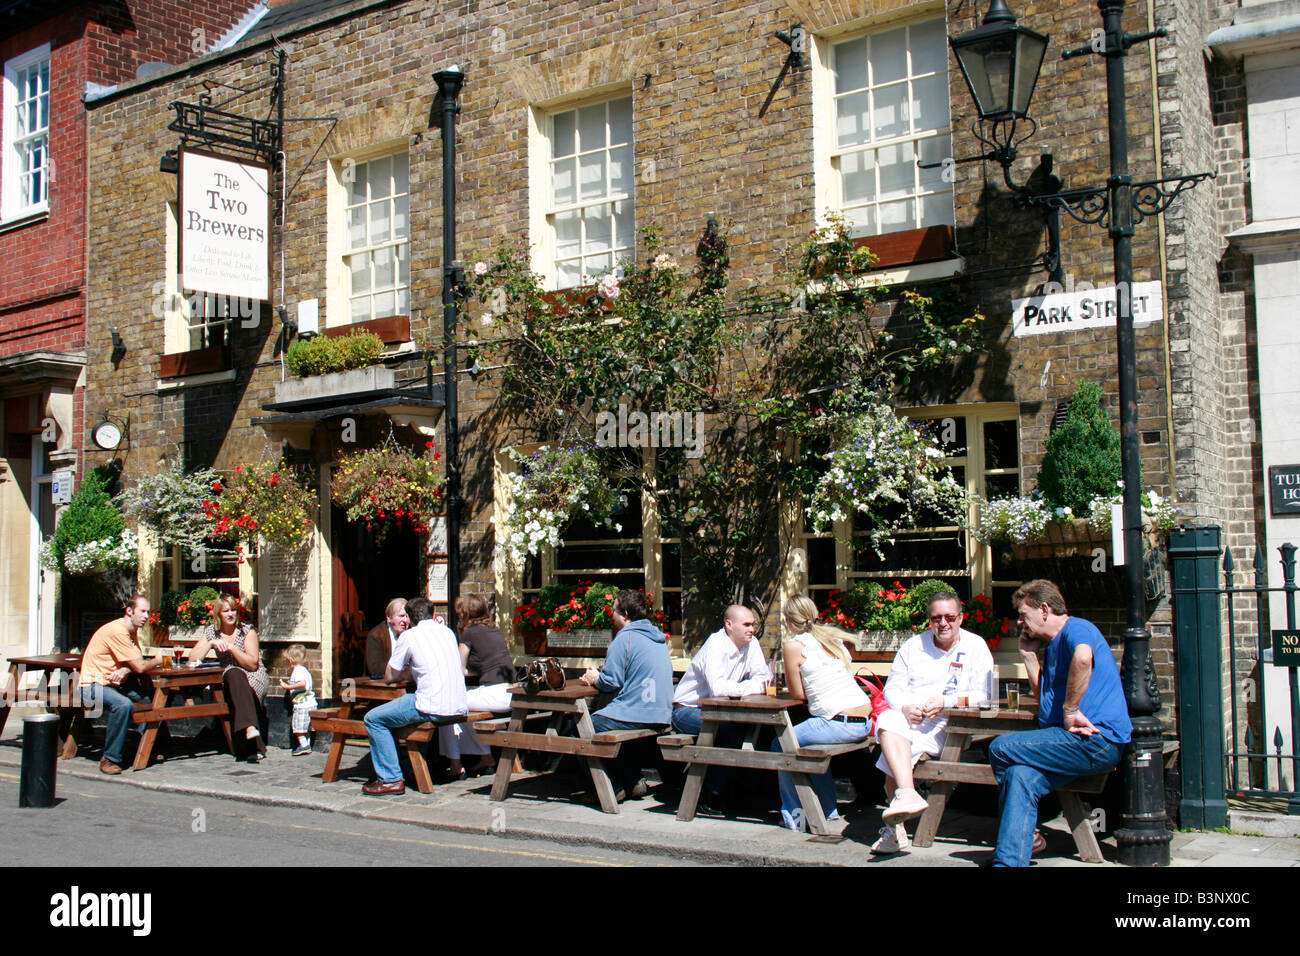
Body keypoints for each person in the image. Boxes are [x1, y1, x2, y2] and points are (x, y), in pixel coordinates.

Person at [987, 579, 1131, 867]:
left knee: (1001, 748)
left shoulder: (1077, 628)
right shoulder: (1051, 647)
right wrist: (1028, 656)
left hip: (1095, 740)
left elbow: (1083, 659)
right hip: (1066, 742)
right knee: (1019, 777)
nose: (1019, 622)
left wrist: (1071, 710)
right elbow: (1046, 700)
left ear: (1043, 609)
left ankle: (1029, 838)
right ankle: (1009, 862)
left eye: (1023, 614)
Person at [870, 589, 996, 854]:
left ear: (961, 618)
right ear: (929, 620)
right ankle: (906, 793)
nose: (943, 623)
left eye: (949, 616)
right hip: (911, 720)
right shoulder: (913, 646)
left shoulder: (975, 646)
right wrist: (905, 707)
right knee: (889, 718)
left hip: (949, 725)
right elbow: (892, 688)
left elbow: (985, 696)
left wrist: (946, 703)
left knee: (893, 752)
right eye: (937, 618)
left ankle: (895, 828)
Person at [770, 595, 873, 831]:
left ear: (787, 621)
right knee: (809, 749)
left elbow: (797, 694)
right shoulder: (833, 639)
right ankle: (828, 810)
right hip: (864, 722)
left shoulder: (793, 646)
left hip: (838, 723)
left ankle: (794, 818)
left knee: (781, 745)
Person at [361, 596, 467, 795]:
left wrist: (409, 673)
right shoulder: (448, 632)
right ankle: (410, 770)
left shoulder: (409, 636)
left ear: (409, 618)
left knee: (373, 719)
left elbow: (389, 675)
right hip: (459, 704)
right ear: (433, 614)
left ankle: (391, 779)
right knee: (396, 715)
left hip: (431, 705)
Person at [671, 604, 770, 806]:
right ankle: (710, 795)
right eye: (747, 624)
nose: (752, 629)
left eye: (753, 625)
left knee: (759, 729)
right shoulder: (716, 644)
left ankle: (745, 792)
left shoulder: (752, 644)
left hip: (719, 711)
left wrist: (745, 687)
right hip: (687, 711)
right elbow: (718, 688)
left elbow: (764, 679)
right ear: (729, 625)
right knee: (727, 730)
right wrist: (749, 687)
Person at [578, 589, 673, 801]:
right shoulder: (657, 638)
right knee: (612, 725)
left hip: (638, 712)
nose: (611, 615)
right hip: (662, 713)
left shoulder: (624, 639)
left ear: (626, 614)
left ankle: (609, 787)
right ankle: (632, 781)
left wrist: (595, 677)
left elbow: (611, 681)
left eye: (614, 610)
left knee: (584, 727)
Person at [79, 595, 167, 774]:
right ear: (129, 611)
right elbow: (140, 666)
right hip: (92, 685)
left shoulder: (131, 631)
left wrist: (127, 670)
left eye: (148, 612)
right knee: (122, 705)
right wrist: (158, 660)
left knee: (151, 700)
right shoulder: (118, 630)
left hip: (113, 683)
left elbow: (134, 664)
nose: (146, 616)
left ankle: (150, 748)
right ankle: (109, 759)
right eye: (142, 611)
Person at [438, 593, 514, 778]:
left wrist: (459, 634)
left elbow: (458, 668)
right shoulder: (494, 630)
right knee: (467, 712)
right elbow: (483, 666)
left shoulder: (470, 633)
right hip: (510, 693)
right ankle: (485, 756)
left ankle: (455, 763)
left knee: (444, 708)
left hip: (493, 694)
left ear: (464, 614)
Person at [189, 594, 269, 761]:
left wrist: (232, 648)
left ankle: (250, 736)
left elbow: (252, 664)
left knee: (234, 674)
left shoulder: (247, 631)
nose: (230, 614)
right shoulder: (212, 631)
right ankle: (251, 733)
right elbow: (192, 658)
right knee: (232, 674)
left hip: (253, 676)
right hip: (231, 678)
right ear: (218, 614)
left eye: (233, 610)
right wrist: (210, 644)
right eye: (226, 611)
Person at [278, 644, 317, 756]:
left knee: (298, 728)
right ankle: (307, 744)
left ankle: (304, 745)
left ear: (290, 660)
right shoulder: (304, 670)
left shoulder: (297, 671)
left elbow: (302, 683)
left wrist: (288, 687)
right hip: (311, 703)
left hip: (302, 705)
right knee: (307, 728)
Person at [366, 598, 409, 680]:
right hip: (383, 686)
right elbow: (376, 669)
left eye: (407, 616)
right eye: (401, 616)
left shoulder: (412, 632)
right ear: (389, 618)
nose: (405, 620)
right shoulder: (376, 635)